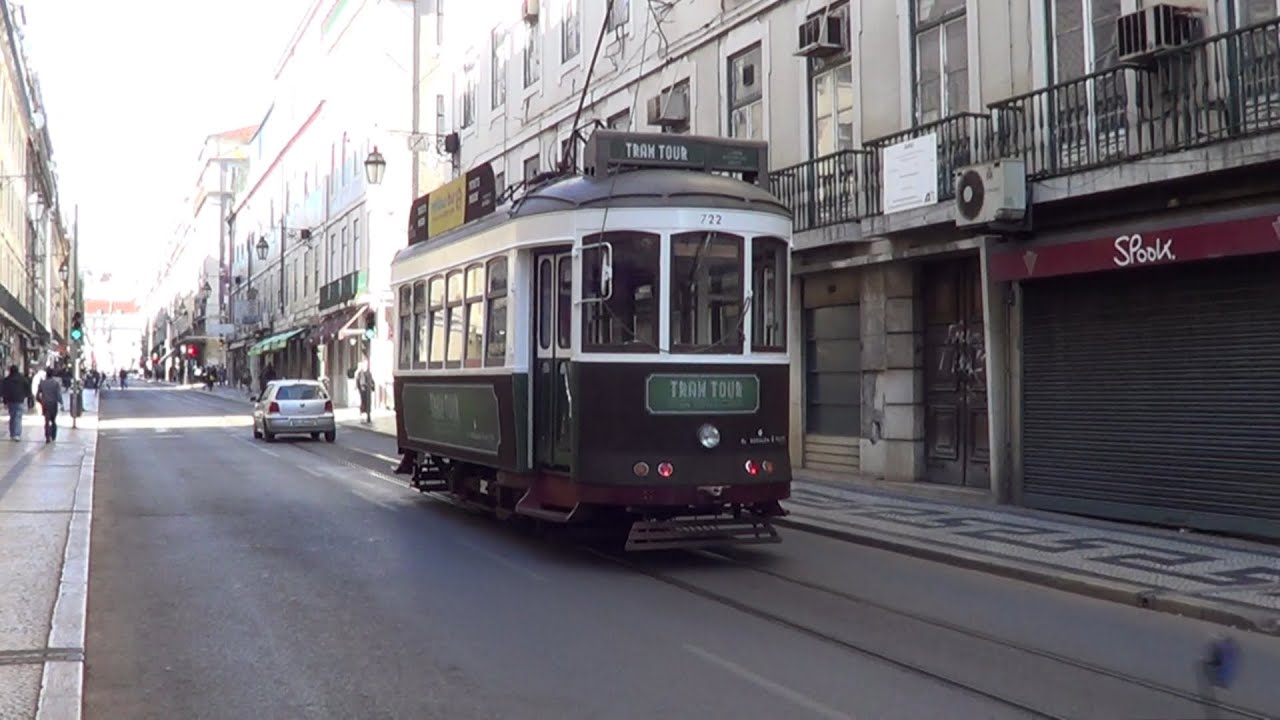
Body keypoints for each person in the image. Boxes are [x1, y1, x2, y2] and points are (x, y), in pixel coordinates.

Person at [2, 365, 32, 441]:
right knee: (18, 417)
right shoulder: (22, 379)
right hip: (20, 400)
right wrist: (28, 396)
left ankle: (12, 434)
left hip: (10, 401)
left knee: (12, 417)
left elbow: (3, 391)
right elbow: (28, 388)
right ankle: (17, 434)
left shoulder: (7, 380)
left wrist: (5, 401)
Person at [38, 368, 63, 442]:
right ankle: (53, 435)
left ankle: (47, 436)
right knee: (53, 420)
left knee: (46, 421)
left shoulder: (42, 383)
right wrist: (61, 403)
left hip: (45, 404)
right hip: (53, 404)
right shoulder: (55, 383)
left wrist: (40, 401)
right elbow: (58, 394)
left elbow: (37, 395)